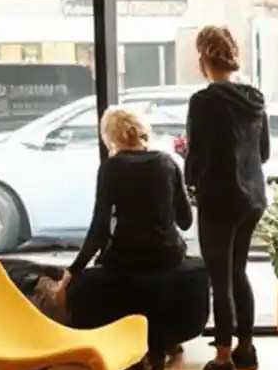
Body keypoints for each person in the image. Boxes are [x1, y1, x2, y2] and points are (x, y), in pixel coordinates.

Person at [184, 25, 271, 370]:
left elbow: (197, 158)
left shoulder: (204, 101)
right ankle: (246, 348)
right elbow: (263, 152)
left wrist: (190, 181)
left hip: (219, 197)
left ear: (203, 59)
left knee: (219, 278)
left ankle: (223, 358)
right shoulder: (255, 97)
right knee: (238, 273)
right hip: (253, 197)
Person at [66, 107, 192, 280]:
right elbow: (185, 222)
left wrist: (73, 270)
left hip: (126, 258)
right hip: (168, 255)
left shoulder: (111, 167)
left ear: (109, 138)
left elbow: (100, 228)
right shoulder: (166, 163)